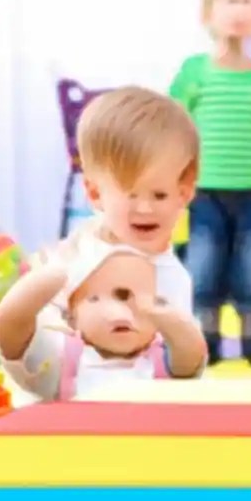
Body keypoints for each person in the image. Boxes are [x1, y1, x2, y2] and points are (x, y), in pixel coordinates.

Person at [169, 0, 251, 367]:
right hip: (205, 189)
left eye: (249, 2)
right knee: (204, 260)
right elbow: (175, 125)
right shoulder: (194, 71)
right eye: (230, 1)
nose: (239, 10)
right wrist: (173, 176)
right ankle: (206, 331)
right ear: (207, 15)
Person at [44, 85, 200, 327]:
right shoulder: (79, 255)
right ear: (96, 194)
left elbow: (182, 359)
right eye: (131, 195)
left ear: (184, 194)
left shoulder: (173, 278)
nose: (146, 209)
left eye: (159, 195)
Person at [0, 246, 206, 401]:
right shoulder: (64, 361)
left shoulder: (160, 362)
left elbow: (191, 355)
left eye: (132, 297)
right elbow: (10, 327)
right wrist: (51, 278)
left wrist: (161, 313)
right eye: (95, 299)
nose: (120, 311)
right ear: (72, 317)